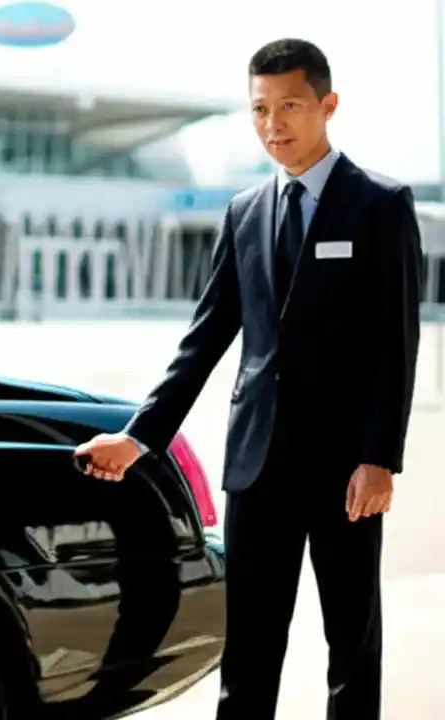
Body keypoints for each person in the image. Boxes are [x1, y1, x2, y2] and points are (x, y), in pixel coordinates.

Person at [73, 38, 421, 720]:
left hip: (347, 471)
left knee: (351, 645)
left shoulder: (380, 204)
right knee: (251, 649)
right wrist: (139, 438)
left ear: (327, 105)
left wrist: (380, 458)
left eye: (289, 106)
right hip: (257, 468)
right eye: (259, 109)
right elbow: (203, 342)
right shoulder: (244, 212)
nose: (273, 125)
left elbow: (395, 346)